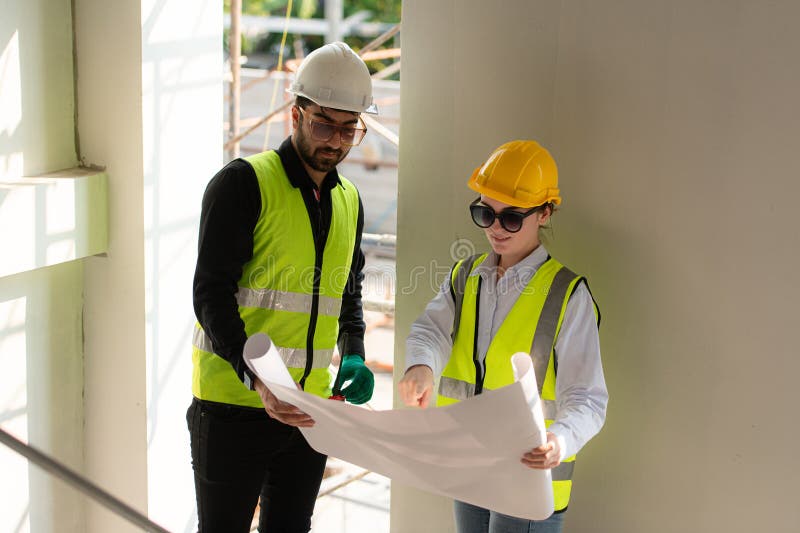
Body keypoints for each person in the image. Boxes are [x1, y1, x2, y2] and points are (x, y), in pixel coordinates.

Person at [187, 41, 376, 533]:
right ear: (296, 114)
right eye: (324, 124)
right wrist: (258, 380)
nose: (336, 141)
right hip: (234, 407)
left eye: (349, 128)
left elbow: (347, 293)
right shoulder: (242, 184)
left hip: (309, 411)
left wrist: (354, 353)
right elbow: (210, 295)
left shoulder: (350, 201)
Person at [398, 140, 608, 533]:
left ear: (545, 213)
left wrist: (560, 441)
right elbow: (431, 330)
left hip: (527, 475)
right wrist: (421, 366)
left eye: (511, 218)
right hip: (470, 467)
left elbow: (589, 399)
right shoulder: (466, 274)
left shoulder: (568, 295)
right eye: (485, 213)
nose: (495, 228)